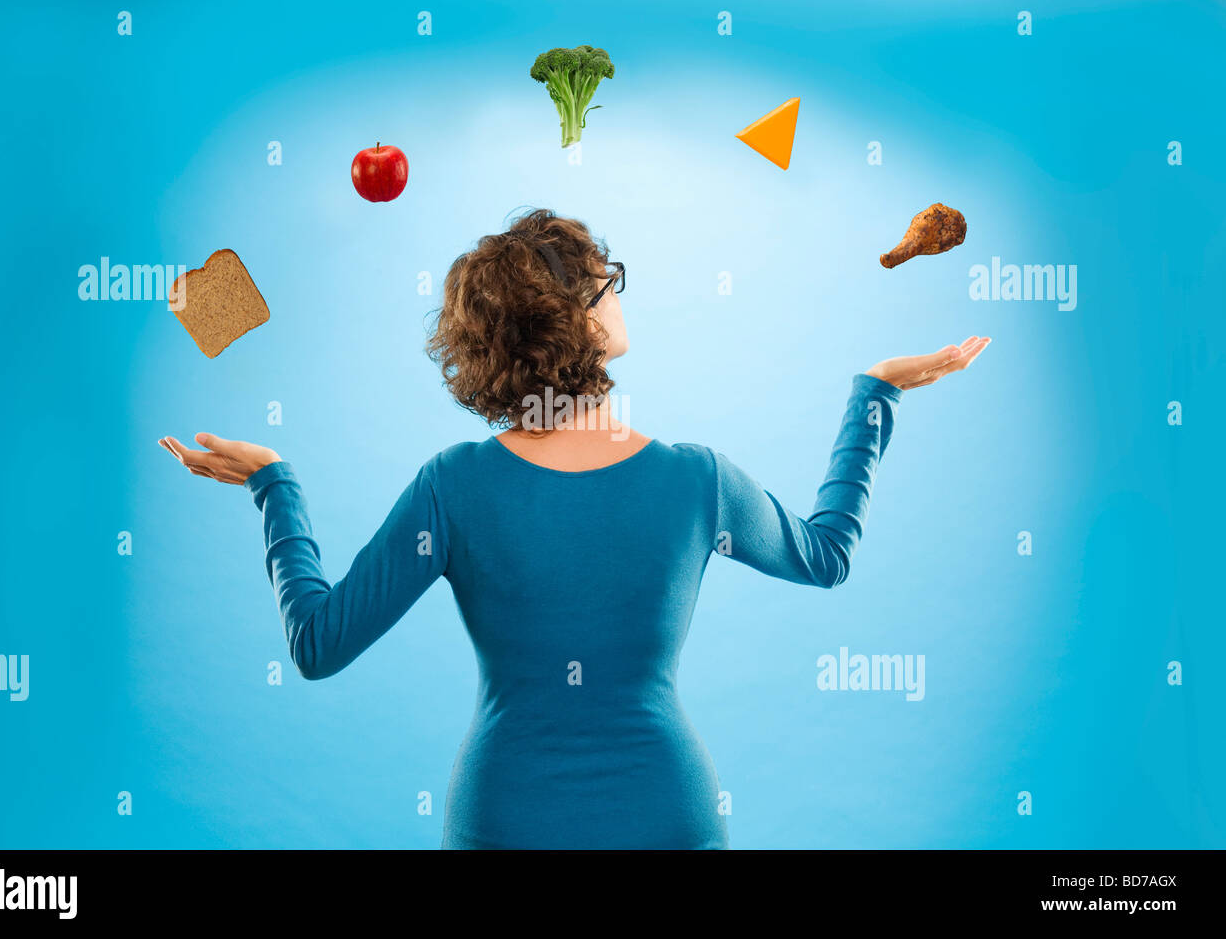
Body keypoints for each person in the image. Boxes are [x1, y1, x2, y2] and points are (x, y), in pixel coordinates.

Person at [159, 208, 991, 849]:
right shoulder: (695, 480)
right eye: (607, 279)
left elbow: (318, 643)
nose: (618, 292)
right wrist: (876, 394)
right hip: (668, 816)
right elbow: (826, 555)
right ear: (576, 320)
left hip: (502, 818)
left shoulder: (454, 485)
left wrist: (275, 487)